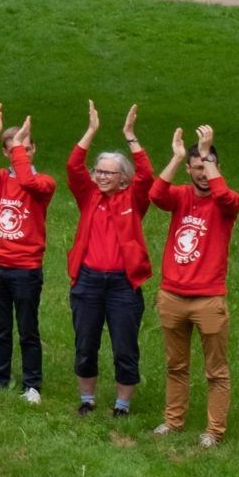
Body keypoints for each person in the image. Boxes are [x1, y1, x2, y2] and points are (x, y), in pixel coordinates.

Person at [150, 124, 239, 448]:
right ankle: (173, 422)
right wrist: (176, 158)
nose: (202, 173)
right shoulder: (180, 196)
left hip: (208, 299)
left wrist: (206, 152)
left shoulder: (227, 202)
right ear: (189, 170)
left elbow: (224, 196)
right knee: (176, 366)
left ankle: (214, 432)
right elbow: (156, 195)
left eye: (207, 166)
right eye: (197, 167)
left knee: (216, 371)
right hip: (172, 295)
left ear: (216, 166)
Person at [64, 100, 153, 418]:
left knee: (125, 346)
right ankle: (87, 399)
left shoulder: (134, 198)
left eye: (108, 173)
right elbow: (73, 166)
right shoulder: (88, 195)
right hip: (88, 280)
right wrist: (91, 130)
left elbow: (147, 175)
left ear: (123, 178)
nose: (101, 176)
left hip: (123, 284)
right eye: (98, 171)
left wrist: (130, 135)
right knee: (85, 343)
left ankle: (122, 405)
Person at [0, 107, 54, 402]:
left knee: (27, 329)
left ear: (34, 149)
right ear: (6, 154)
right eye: (15, 150)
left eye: (27, 148)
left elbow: (27, 182)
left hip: (26, 268)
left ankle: (32, 384)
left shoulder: (44, 183)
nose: (22, 153)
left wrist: (18, 145)